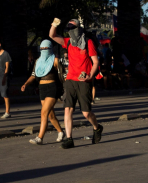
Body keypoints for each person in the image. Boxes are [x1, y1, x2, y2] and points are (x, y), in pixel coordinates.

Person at [48, 18, 103, 148]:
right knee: (68, 109)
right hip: (70, 80)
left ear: (79, 28)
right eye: (68, 29)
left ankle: (97, 127)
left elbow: (95, 62)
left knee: (86, 113)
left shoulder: (88, 42)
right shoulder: (67, 42)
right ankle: (69, 139)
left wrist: (90, 75)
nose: (70, 31)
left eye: (72, 28)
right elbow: (52, 35)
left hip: (84, 81)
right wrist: (54, 24)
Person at [20, 39, 65, 145]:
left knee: (43, 112)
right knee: (50, 115)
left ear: (50, 48)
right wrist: (26, 84)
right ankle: (60, 132)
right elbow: (33, 75)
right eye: (42, 48)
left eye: (46, 48)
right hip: (42, 89)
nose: (44, 50)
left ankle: (40, 138)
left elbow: (63, 75)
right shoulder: (38, 61)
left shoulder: (55, 60)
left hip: (52, 88)